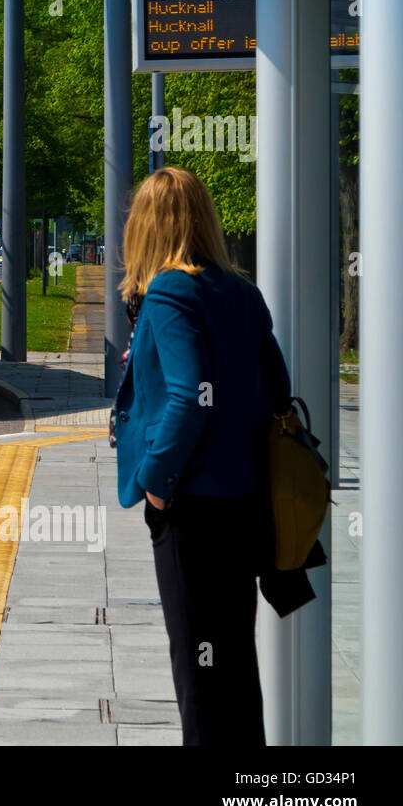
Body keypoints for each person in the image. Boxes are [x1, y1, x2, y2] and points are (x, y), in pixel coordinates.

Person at [113, 166, 294, 746]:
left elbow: (191, 394)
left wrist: (156, 479)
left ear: (145, 227)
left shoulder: (168, 291)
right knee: (235, 666)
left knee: (198, 672)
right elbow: (276, 388)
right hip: (245, 502)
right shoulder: (241, 292)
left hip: (192, 508)